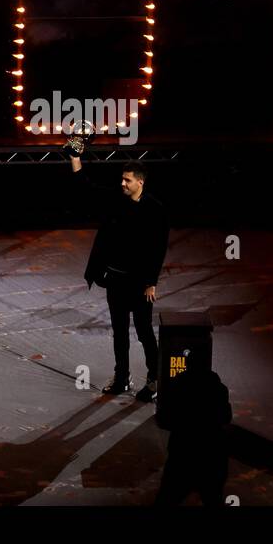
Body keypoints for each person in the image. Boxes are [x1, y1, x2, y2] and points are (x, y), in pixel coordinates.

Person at [69, 152, 169, 401]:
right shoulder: (116, 200)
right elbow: (87, 188)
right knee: (120, 331)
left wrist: (151, 283)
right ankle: (122, 377)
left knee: (144, 331)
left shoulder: (155, 210)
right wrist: (74, 158)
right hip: (115, 280)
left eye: (127, 180)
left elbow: (158, 249)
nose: (122, 184)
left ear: (140, 182)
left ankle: (155, 380)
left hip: (140, 284)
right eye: (122, 179)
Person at [155, 357, 232, 505]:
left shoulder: (179, 386)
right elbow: (226, 417)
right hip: (213, 453)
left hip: (183, 452)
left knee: (168, 498)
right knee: (213, 498)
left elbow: (164, 420)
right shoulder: (219, 388)